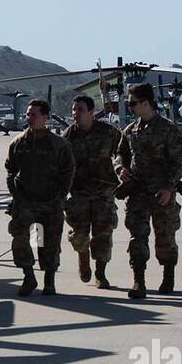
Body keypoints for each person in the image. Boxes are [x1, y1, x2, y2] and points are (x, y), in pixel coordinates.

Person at [114, 82, 182, 299]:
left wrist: (168, 188)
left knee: (165, 236)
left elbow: (177, 162)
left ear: (146, 103)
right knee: (137, 237)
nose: (130, 106)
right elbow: (120, 153)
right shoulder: (130, 130)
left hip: (161, 193)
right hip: (137, 192)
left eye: (133, 103)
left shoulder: (168, 129)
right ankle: (139, 281)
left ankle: (168, 274)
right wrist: (120, 169)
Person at [5, 98, 75, 296]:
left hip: (50, 201)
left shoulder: (59, 144)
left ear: (45, 117)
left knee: (49, 242)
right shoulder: (18, 143)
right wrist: (14, 191)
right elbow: (10, 169)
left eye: (34, 114)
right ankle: (29, 276)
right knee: (19, 238)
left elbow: (68, 171)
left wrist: (61, 195)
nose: (30, 118)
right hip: (24, 202)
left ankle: (49, 280)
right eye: (28, 114)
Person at [61, 94, 122, 288]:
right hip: (79, 193)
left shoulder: (109, 133)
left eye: (79, 110)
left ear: (91, 113)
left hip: (104, 191)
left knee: (103, 234)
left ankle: (100, 273)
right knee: (79, 234)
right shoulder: (68, 136)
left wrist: (122, 170)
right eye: (73, 110)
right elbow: (60, 165)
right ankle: (83, 255)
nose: (75, 113)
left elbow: (123, 153)